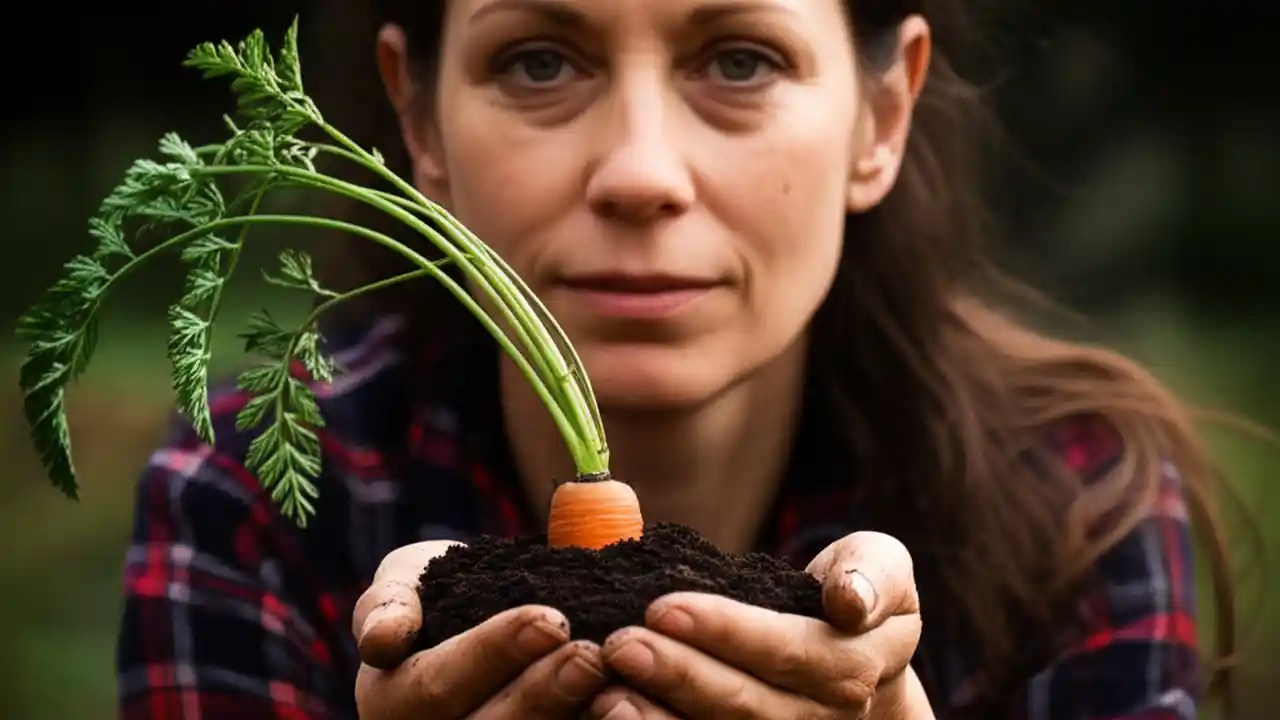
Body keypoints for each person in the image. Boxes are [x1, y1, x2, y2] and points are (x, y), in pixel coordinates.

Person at [114, 0, 1245, 718]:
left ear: (880, 115)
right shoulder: (252, 498)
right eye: (538, 61)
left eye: (740, 59)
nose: (640, 172)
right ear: (418, 123)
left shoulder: (1071, 506)